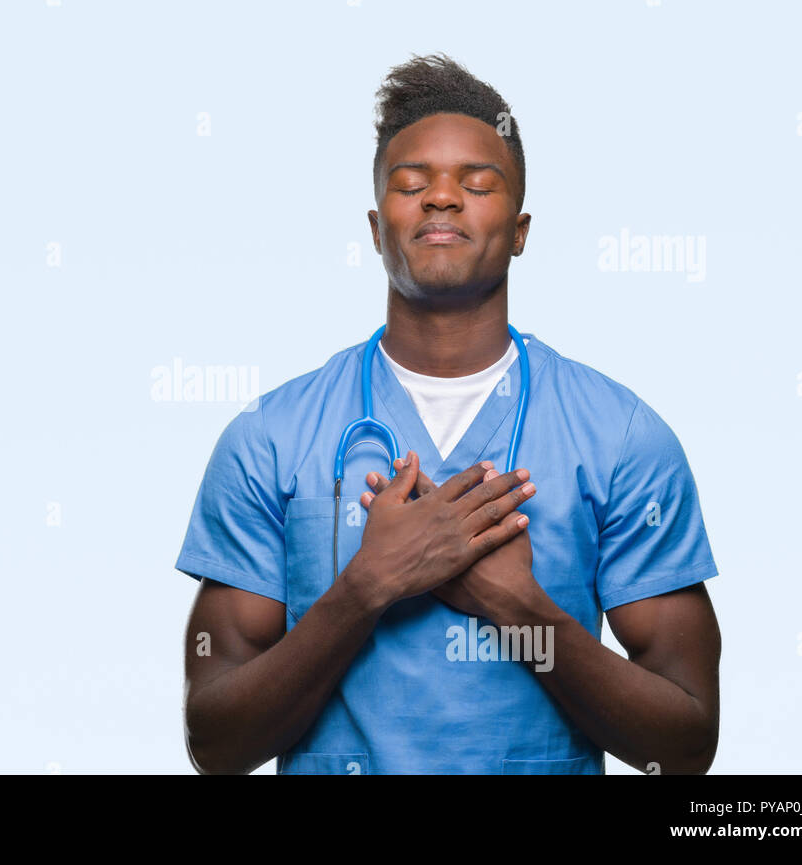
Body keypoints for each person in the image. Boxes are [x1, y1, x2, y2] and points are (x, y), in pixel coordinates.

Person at [174, 53, 721, 775]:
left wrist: (522, 609)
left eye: (477, 182)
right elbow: (214, 745)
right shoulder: (270, 439)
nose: (441, 198)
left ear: (520, 229)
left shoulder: (620, 437)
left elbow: (685, 747)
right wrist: (367, 587)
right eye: (412, 183)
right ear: (376, 228)